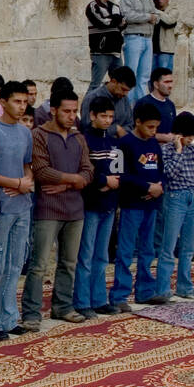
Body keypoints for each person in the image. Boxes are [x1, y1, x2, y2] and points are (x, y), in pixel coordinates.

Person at [20, 89, 92, 329]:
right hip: (47, 209)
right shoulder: (39, 135)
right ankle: (31, 312)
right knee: (39, 264)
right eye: (66, 111)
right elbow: (41, 171)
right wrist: (73, 180)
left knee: (69, 262)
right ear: (53, 110)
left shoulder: (78, 138)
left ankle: (63, 306)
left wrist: (65, 184)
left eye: (75, 111)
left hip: (75, 209)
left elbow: (88, 171)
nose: (72, 116)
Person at [0, 81, 34, 340]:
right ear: (2, 101)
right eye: (17, 101)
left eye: (25, 102)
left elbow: (27, 164)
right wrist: (14, 183)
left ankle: (9, 317)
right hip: (2, 206)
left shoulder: (25, 133)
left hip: (23, 206)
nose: (22, 106)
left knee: (15, 264)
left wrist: (26, 182)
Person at [109, 99, 164, 310]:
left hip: (151, 205)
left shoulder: (153, 144)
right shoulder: (124, 144)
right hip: (132, 205)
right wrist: (146, 187)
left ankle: (145, 290)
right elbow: (120, 174)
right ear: (138, 122)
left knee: (147, 250)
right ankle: (120, 295)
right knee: (125, 251)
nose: (153, 131)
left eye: (156, 127)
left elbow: (161, 170)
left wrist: (158, 186)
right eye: (150, 127)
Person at [151, 113, 194, 303]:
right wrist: (177, 150)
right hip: (175, 196)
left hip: (192, 196)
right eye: (188, 136)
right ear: (178, 135)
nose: (190, 140)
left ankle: (185, 286)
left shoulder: (193, 149)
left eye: (192, 136)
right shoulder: (167, 150)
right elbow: (169, 173)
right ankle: (163, 288)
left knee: (188, 246)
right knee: (168, 246)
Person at [73, 97, 121, 317]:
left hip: (109, 204)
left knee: (102, 255)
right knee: (86, 254)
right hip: (90, 203)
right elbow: (85, 170)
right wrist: (103, 182)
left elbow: (119, 169)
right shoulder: (84, 140)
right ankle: (82, 302)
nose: (107, 120)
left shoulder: (112, 141)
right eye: (103, 116)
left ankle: (99, 299)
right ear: (92, 115)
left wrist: (114, 183)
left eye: (110, 117)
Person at [120, 0, 157, 106]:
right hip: (133, 37)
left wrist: (152, 17)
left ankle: (141, 106)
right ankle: (128, 106)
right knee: (131, 74)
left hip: (148, 38)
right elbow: (128, 16)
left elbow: (155, 14)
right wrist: (147, 17)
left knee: (144, 76)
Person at [85, 0, 125, 90]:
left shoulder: (115, 7)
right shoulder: (92, 6)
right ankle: (87, 107)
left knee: (119, 85)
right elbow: (101, 22)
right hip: (100, 52)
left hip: (116, 52)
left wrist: (114, 20)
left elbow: (123, 24)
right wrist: (115, 20)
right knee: (95, 85)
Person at [79, 66, 135, 136]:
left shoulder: (124, 98)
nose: (126, 94)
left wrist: (122, 131)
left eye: (128, 91)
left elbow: (130, 123)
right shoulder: (92, 97)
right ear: (113, 81)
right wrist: (116, 129)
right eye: (123, 89)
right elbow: (87, 126)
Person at [146, 67, 176, 141]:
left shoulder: (170, 105)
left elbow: (174, 129)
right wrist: (161, 137)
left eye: (171, 82)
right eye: (166, 82)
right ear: (156, 84)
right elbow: (137, 132)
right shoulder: (144, 104)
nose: (170, 86)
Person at [152, 0, 179, 72]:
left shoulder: (173, 10)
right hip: (152, 49)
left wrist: (156, 11)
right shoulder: (153, 10)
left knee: (164, 76)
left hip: (165, 50)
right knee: (151, 77)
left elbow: (169, 20)